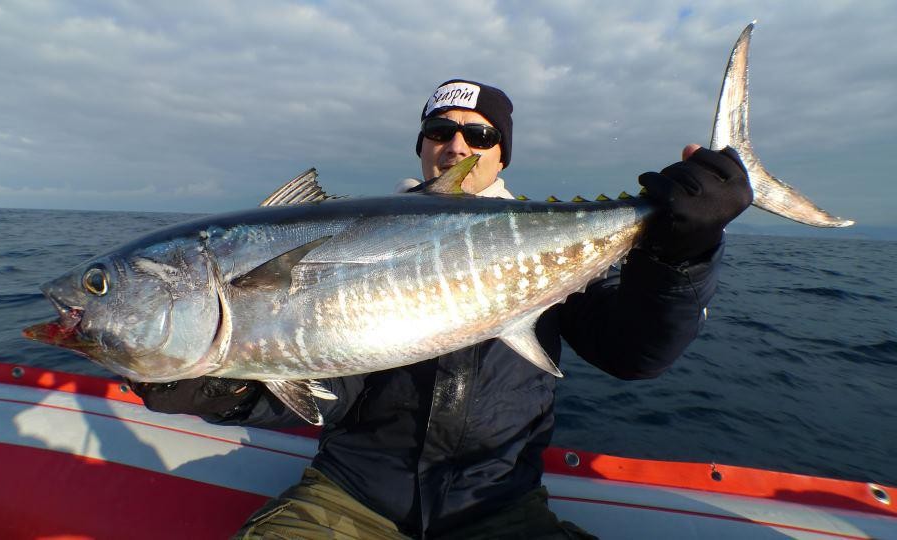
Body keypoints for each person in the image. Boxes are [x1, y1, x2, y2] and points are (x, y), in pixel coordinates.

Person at [132, 79, 752, 539]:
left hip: (499, 507)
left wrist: (683, 255)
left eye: (478, 135)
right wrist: (216, 389)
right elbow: (326, 385)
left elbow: (636, 354)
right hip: (352, 498)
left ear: (501, 155)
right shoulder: (356, 238)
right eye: (439, 132)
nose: (456, 145)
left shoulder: (545, 248)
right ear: (423, 148)